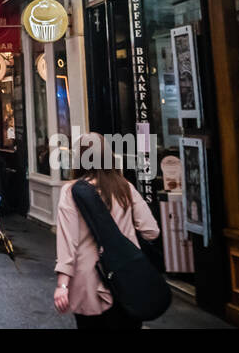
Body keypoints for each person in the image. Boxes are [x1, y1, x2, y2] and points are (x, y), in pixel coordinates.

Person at [53, 133, 161, 330]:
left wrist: (62, 285)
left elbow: (68, 243)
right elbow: (151, 231)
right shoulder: (125, 188)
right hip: (127, 278)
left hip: (90, 283)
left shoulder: (71, 191)